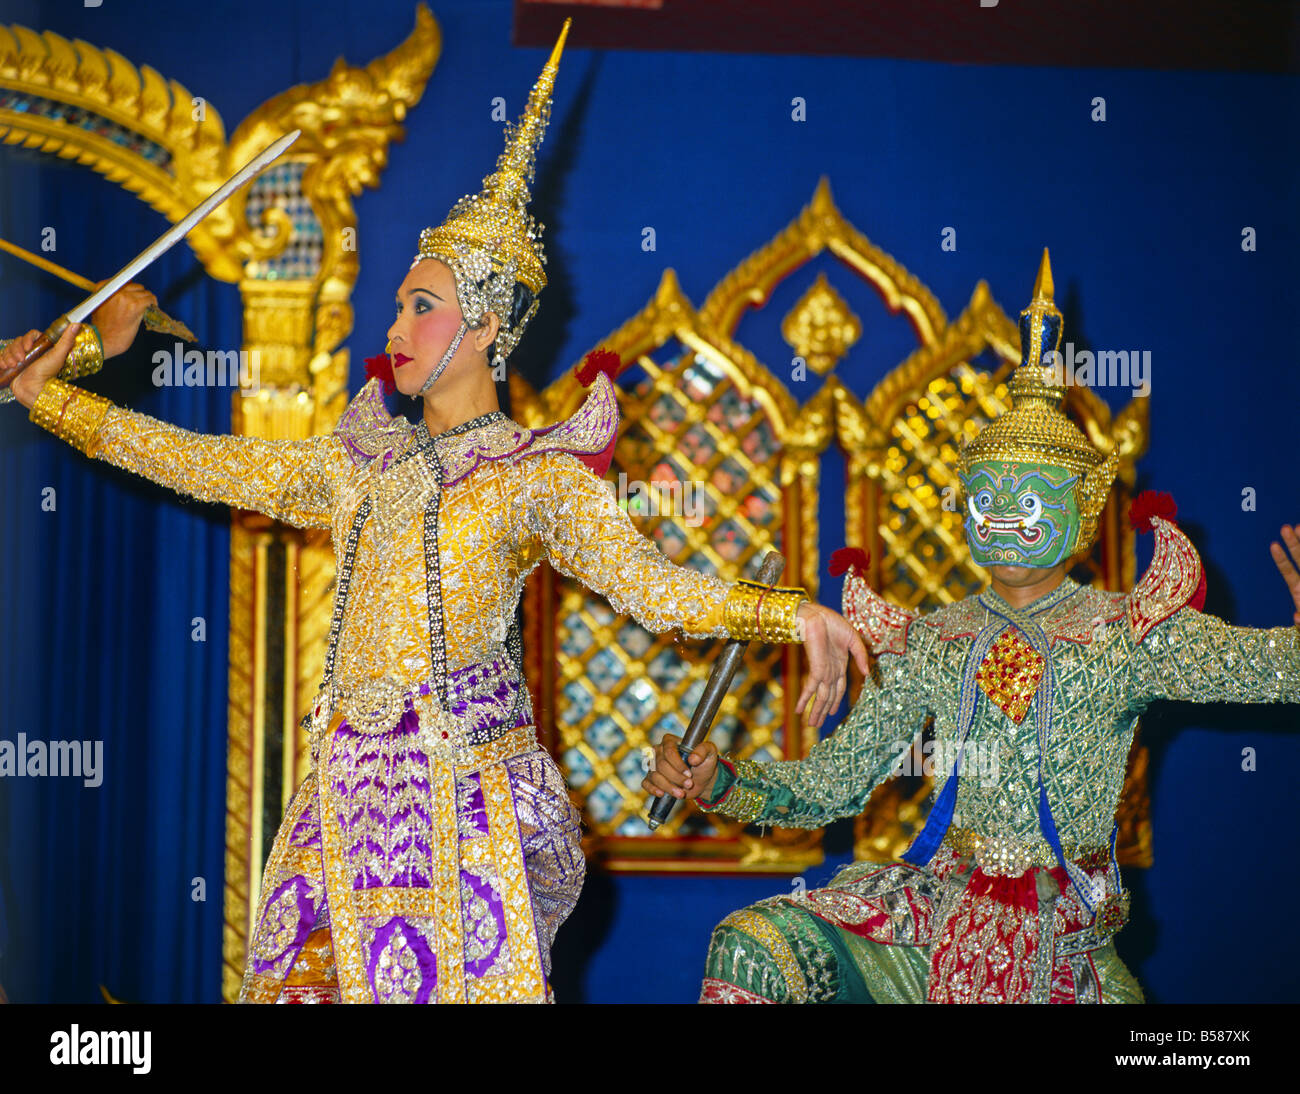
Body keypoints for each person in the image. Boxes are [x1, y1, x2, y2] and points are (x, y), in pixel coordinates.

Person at [5, 22, 865, 1004]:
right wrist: (55, 394)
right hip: (339, 799)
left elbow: (654, 590)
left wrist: (790, 612)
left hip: (461, 799)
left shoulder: (533, 474)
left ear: (488, 324)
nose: (395, 327)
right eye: (398, 306)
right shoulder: (359, 463)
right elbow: (197, 460)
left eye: (420, 305)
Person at [644, 250, 1300, 1004]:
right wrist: (717, 779)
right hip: (931, 922)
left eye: (1030, 503)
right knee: (754, 950)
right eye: (987, 499)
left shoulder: (1126, 633)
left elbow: (1271, 672)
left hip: (1061, 942)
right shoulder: (935, 639)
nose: (1002, 518)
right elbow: (835, 781)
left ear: (1083, 510)